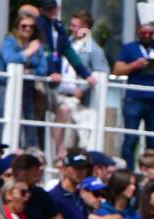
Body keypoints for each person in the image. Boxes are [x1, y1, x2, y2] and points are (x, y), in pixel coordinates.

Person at [114, 22, 154, 171]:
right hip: (134, 99)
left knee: (153, 141)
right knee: (130, 139)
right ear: (138, 32)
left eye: (150, 33)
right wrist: (135, 65)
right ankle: (127, 172)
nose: (147, 36)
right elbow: (117, 70)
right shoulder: (129, 48)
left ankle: (151, 171)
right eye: (143, 33)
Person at [52, 9, 110, 163]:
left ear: (86, 27)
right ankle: (59, 157)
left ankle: (69, 160)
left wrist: (82, 90)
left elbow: (101, 74)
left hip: (81, 102)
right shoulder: (67, 43)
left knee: (81, 140)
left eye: (75, 26)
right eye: (71, 25)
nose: (71, 28)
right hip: (61, 93)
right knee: (62, 128)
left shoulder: (91, 48)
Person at [0, 13, 47, 149]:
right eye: (24, 26)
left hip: (26, 88)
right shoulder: (9, 41)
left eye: (31, 26)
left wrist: (30, 72)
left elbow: (43, 69)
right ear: (17, 27)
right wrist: (28, 51)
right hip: (4, 88)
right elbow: (10, 59)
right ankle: (3, 151)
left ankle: (32, 151)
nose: (28, 29)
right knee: (3, 123)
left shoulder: (36, 44)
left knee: (29, 122)